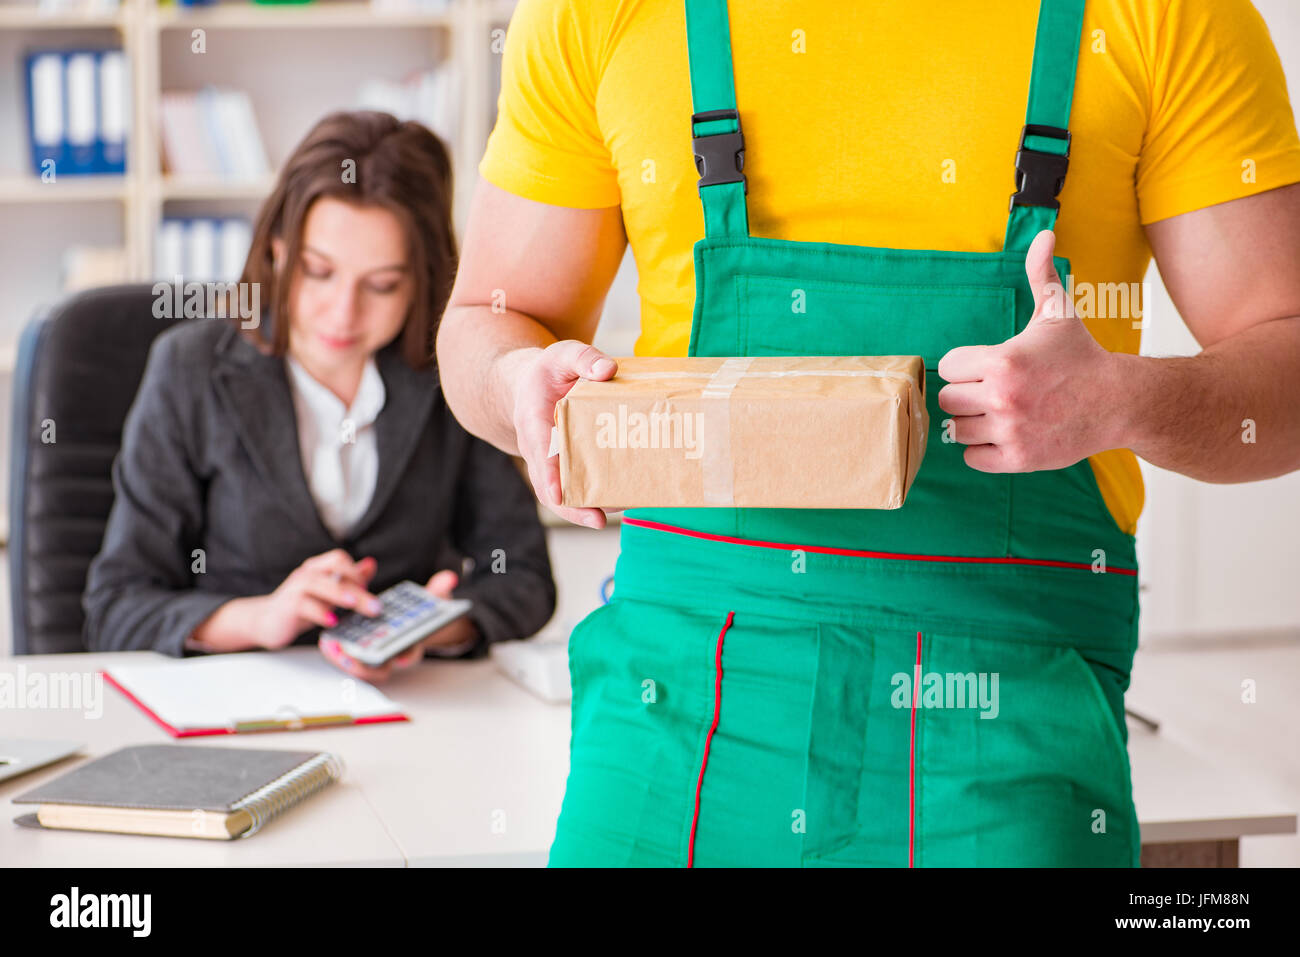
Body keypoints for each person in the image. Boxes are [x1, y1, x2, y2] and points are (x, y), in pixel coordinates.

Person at [437, 0, 1300, 866]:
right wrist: (518, 384)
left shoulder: (1165, 16)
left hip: (1006, 716)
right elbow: (486, 320)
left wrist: (1121, 398)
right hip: (675, 702)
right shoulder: (600, 13)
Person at [83, 111, 556, 682]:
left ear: (423, 278)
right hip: (236, 700)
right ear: (279, 250)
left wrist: (436, 627)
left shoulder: (446, 376)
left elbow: (525, 578)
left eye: (382, 284)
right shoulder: (191, 370)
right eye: (318, 271)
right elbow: (115, 607)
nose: (343, 313)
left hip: (411, 708)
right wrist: (258, 619)